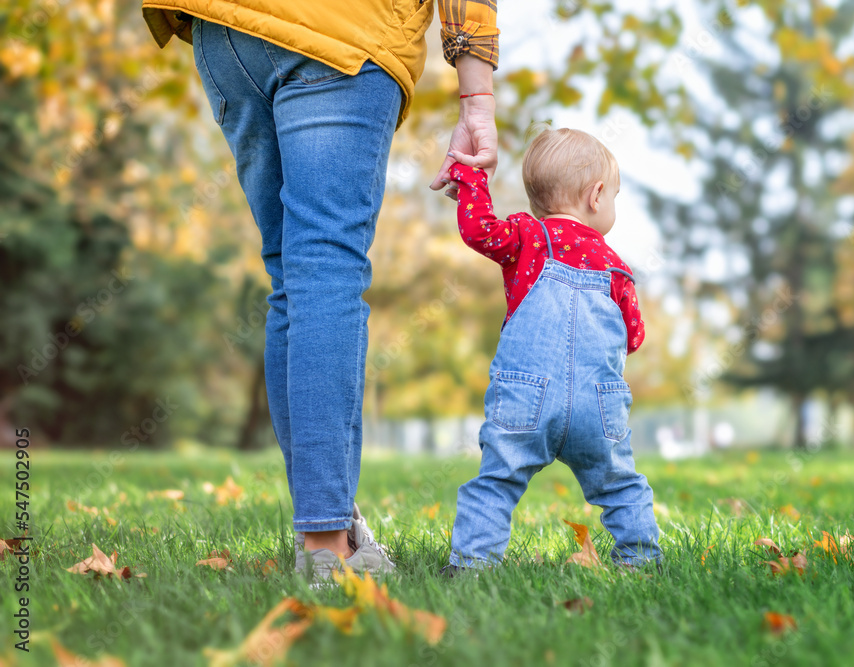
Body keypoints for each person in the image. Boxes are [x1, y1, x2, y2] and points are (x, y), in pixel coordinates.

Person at [139, 0, 500, 583]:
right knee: (325, 270)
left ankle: (334, 522)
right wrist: (477, 95)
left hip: (222, 33)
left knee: (292, 276)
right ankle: (327, 549)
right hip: (340, 34)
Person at [443, 128, 662, 570]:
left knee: (496, 481)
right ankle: (640, 562)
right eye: (615, 196)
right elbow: (633, 336)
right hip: (596, 407)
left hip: (527, 398)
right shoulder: (617, 269)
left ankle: (471, 564)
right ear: (597, 196)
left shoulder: (527, 238)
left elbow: (478, 230)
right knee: (621, 486)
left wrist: (470, 179)